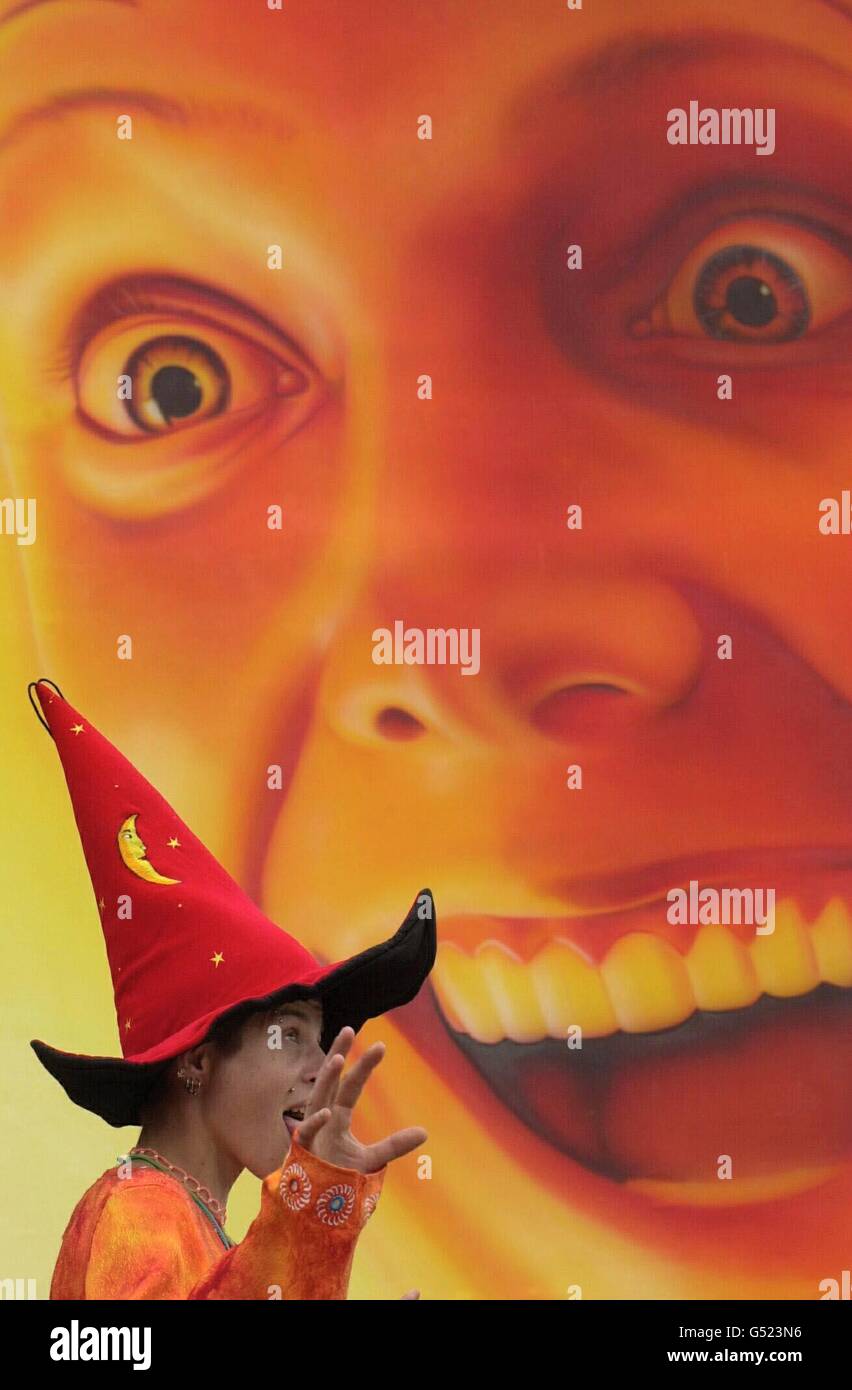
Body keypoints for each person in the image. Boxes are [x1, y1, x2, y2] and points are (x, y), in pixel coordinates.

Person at [27, 679, 436, 1299]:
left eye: (319, 1040)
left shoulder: (182, 1215)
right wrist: (311, 1198)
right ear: (197, 1059)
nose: (321, 1064)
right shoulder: (143, 1215)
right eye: (291, 1033)